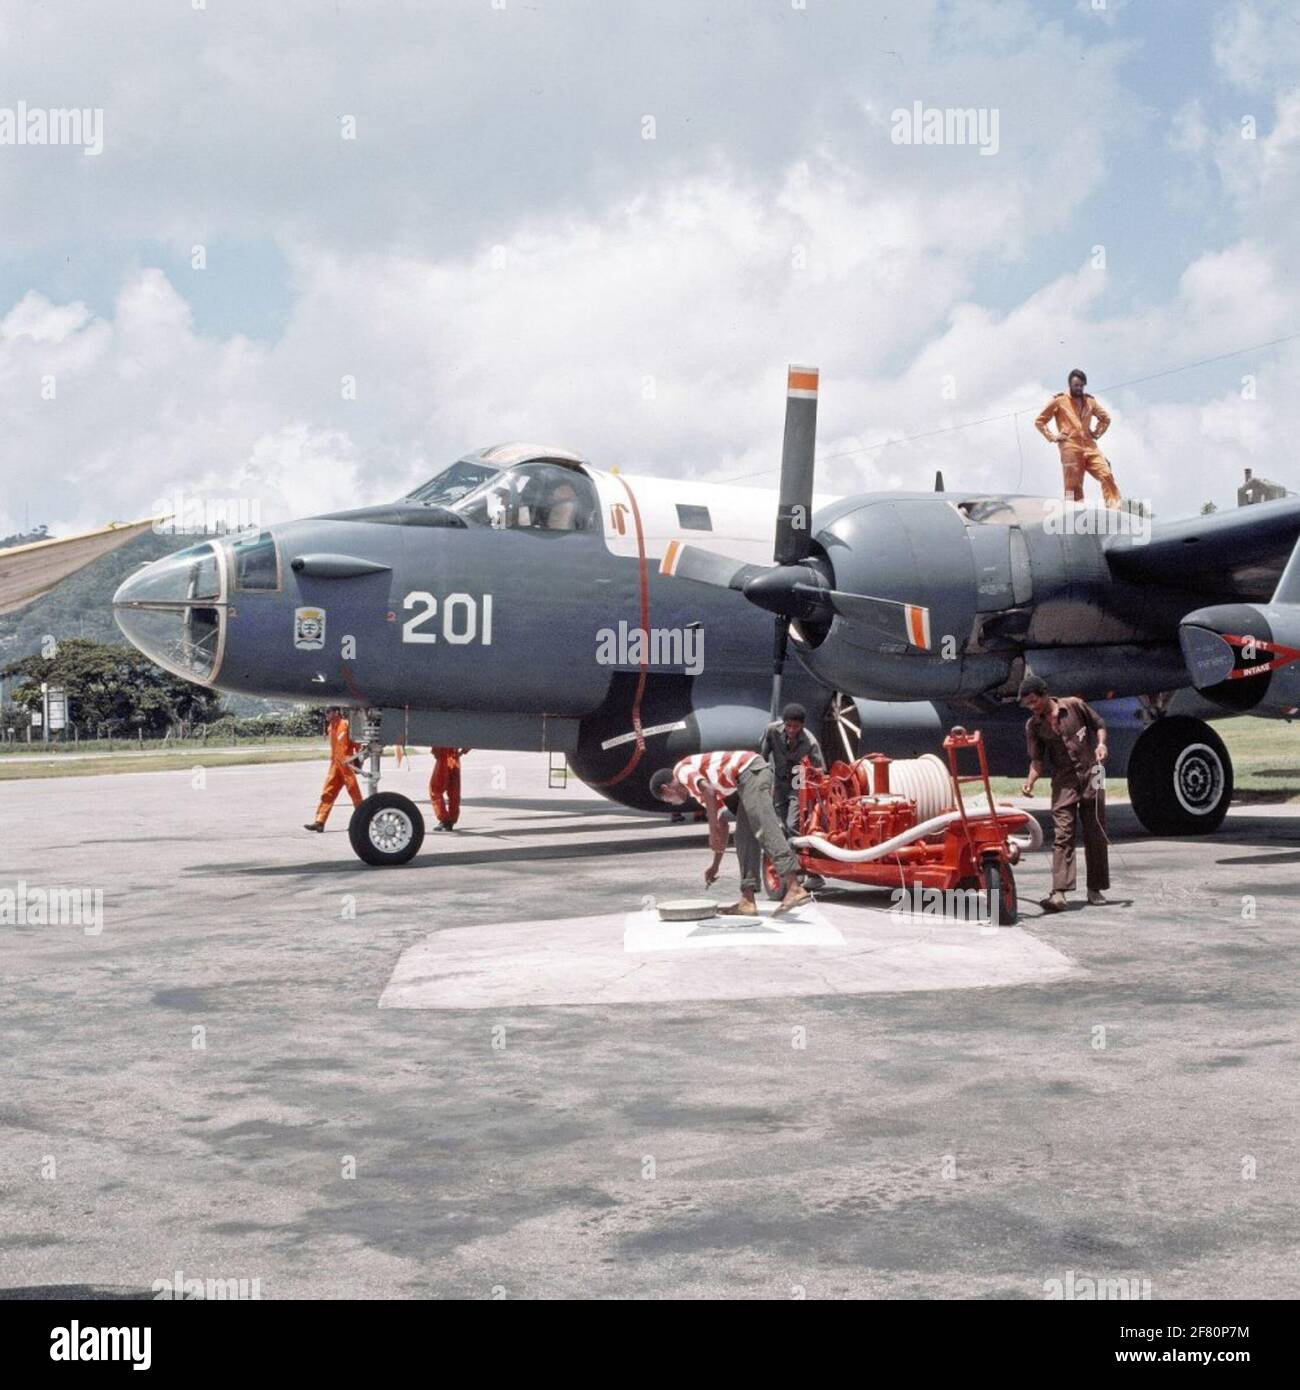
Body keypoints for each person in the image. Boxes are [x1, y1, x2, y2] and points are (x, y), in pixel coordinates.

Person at [650, 750, 810, 916]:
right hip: (744, 781)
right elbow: (723, 825)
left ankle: (794, 887)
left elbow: (710, 792)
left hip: (751, 769)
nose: (673, 803)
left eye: (668, 799)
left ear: (666, 788)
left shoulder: (681, 770)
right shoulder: (697, 792)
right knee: (743, 837)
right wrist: (715, 865)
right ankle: (747, 901)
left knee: (763, 825)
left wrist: (712, 832)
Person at [1019, 675, 1111, 911]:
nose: (1033, 707)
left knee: (1096, 831)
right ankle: (1059, 892)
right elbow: (1037, 762)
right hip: (1064, 780)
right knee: (1063, 834)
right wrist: (1030, 783)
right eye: (1028, 704)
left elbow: (1099, 725)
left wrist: (1101, 745)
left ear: (1044, 694)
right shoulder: (1034, 726)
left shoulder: (1073, 705)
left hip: (1094, 773)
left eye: (1034, 701)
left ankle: (1095, 888)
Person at [760, 702, 827, 890]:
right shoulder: (772, 731)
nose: (791, 730)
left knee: (793, 825)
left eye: (796, 727)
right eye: (788, 725)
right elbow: (762, 757)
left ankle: (810, 872)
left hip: (798, 785)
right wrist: (764, 783)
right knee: (780, 827)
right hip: (779, 782)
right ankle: (790, 870)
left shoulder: (810, 741)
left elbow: (820, 770)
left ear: (802, 726)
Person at [1034, 368, 1121, 508]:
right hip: (1070, 446)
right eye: (1076, 385)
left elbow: (1105, 418)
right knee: (1072, 484)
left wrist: (1096, 433)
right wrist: (1053, 437)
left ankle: (1114, 508)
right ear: (1070, 385)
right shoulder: (1059, 400)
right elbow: (1040, 421)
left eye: (1081, 385)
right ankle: (1073, 511)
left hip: (1089, 445)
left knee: (1106, 473)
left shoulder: (1090, 401)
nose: (1079, 388)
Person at [304, 706, 363, 832]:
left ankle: (363, 819)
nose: (326, 715)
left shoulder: (346, 725)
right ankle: (320, 821)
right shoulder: (330, 727)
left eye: (328, 712)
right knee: (327, 792)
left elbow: (358, 745)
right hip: (335, 766)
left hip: (346, 764)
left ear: (336, 712)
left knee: (354, 793)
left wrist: (359, 762)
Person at [430, 746, 469, 831]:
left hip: (444, 755)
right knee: (454, 791)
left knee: (435, 790)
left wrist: (435, 751)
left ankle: (445, 819)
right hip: (455, 756)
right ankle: (452, 818)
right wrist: (464, 750)